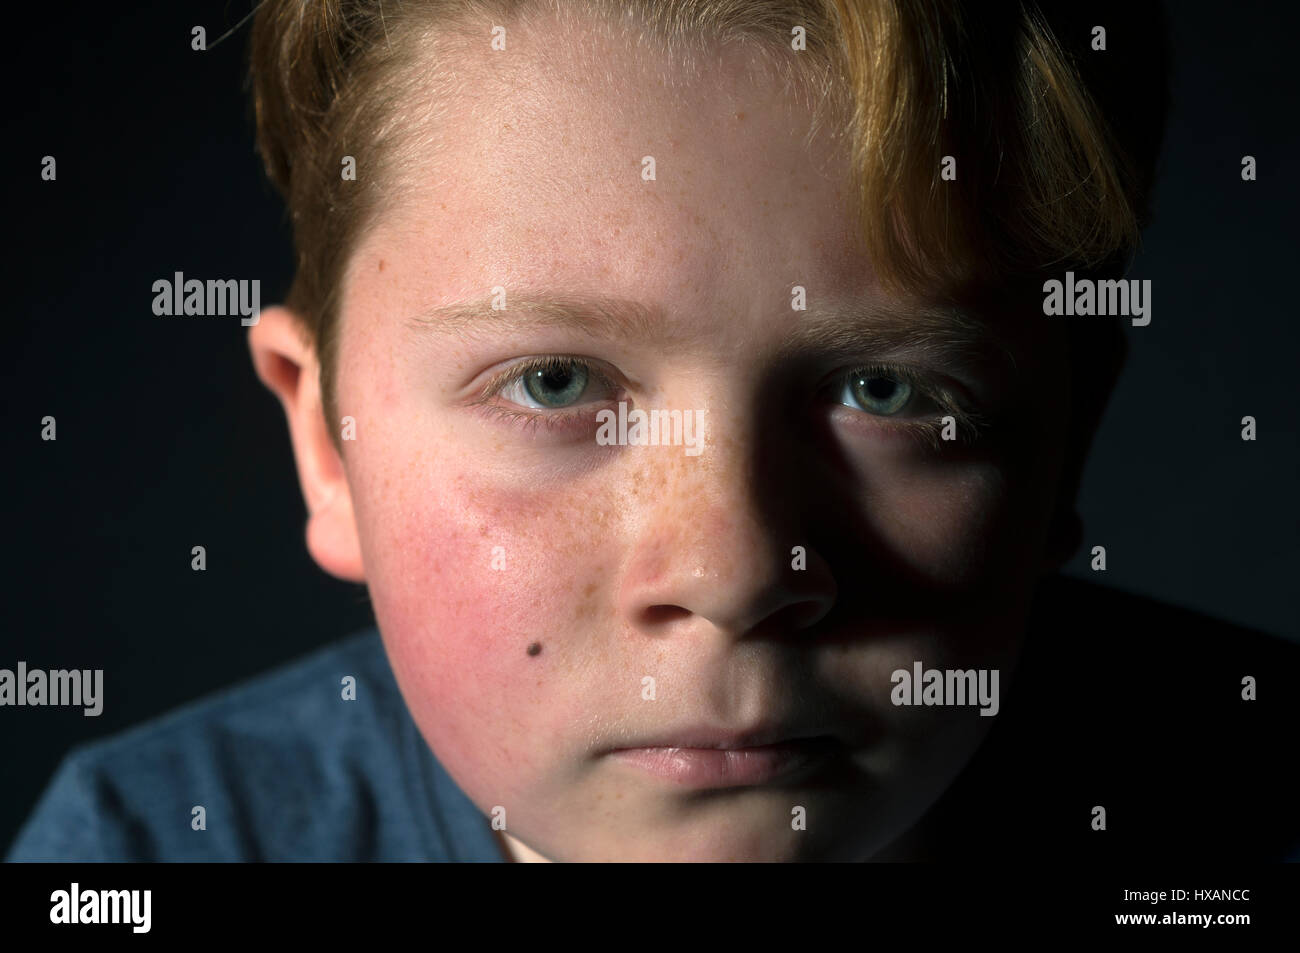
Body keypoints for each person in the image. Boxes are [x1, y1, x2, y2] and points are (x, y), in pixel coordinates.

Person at [9, 0, 1296, 863]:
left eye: (890, 392)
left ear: (1067, 436)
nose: (733, 570)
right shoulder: (151, 851)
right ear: (328, 447)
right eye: (557, 382)